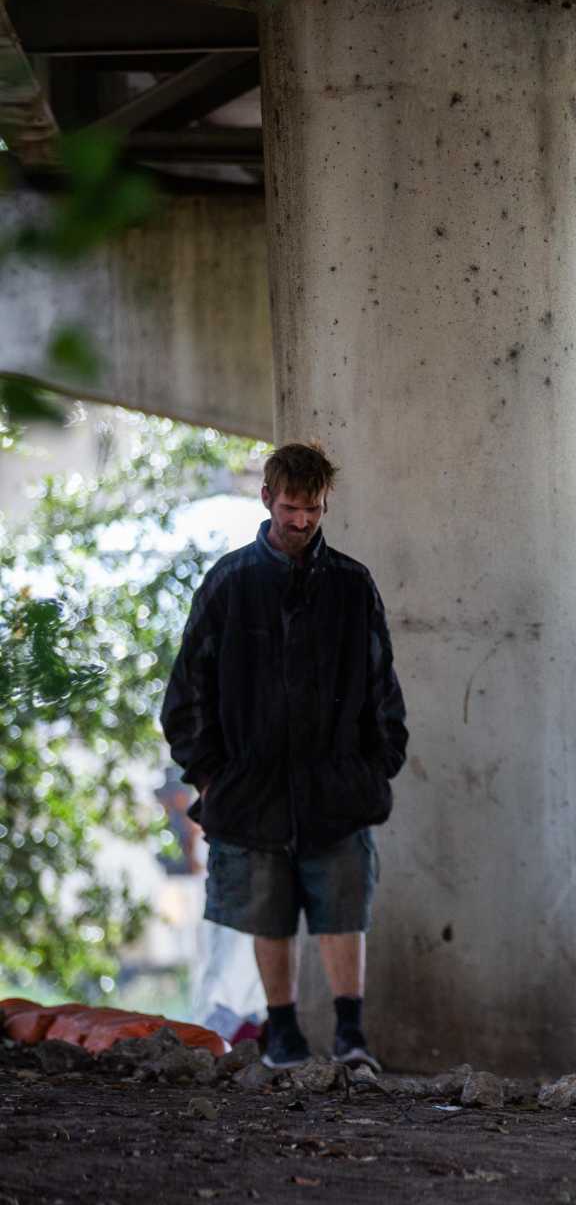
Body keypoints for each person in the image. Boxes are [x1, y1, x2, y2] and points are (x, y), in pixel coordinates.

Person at [161, 442, 406, 1072]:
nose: (301, 521)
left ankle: (351, 1037)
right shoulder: (229, 581)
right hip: (250, 788)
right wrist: (213, 779)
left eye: (313, 509)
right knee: (266, 912)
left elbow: (382, 684)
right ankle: (284, 1038)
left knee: (343, 909)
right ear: (267, 498)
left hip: (336, 785)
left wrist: (372, 770)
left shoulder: (352, 584)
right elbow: (186, 693)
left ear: (326, 505)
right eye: (292, 507)